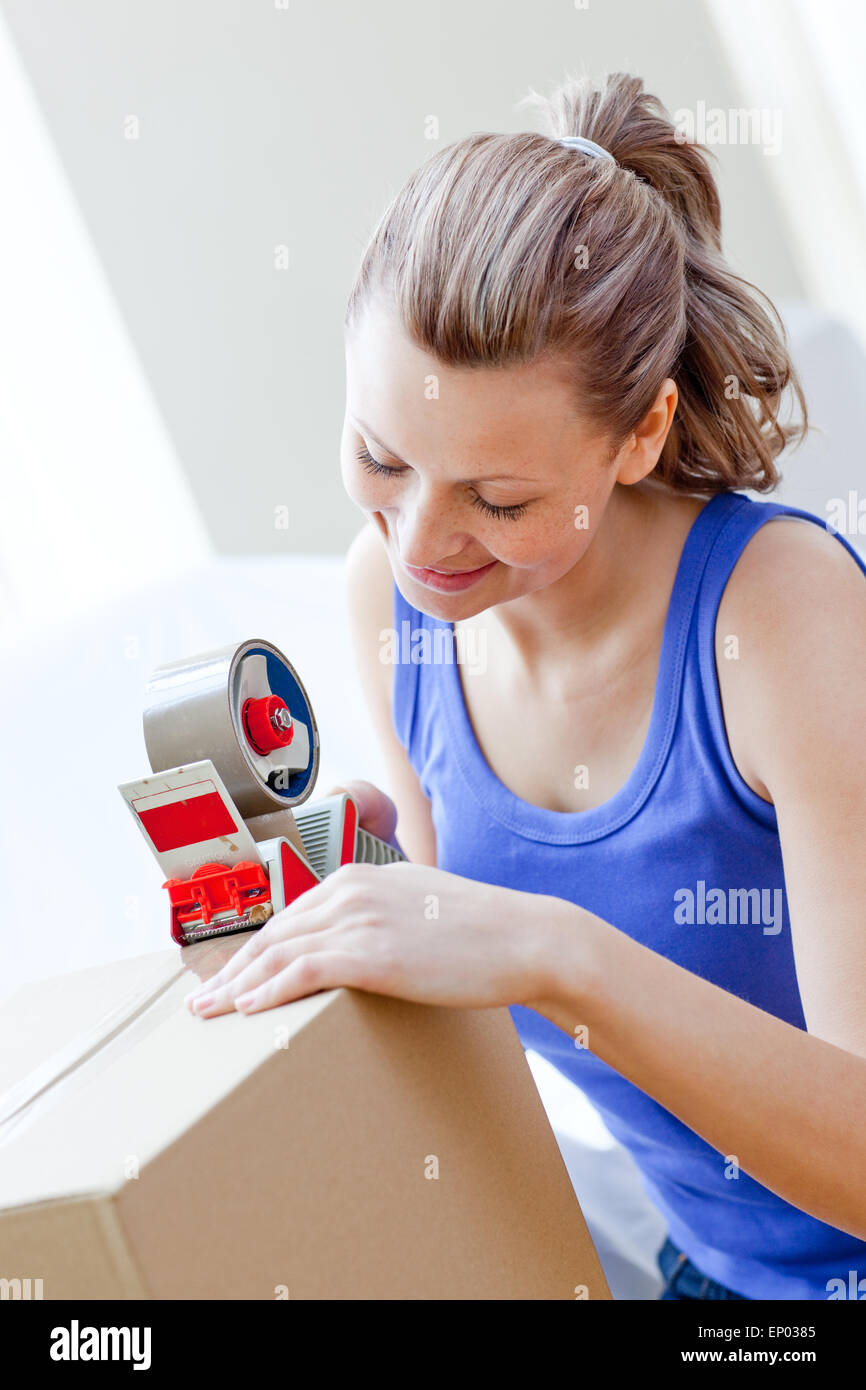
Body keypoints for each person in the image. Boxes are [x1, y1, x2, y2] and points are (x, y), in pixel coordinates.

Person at [186, 72, 866, 1301]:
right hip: (718, 1281)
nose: (419, 542)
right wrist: (351, 902)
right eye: (379, 458)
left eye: (497, 501)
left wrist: (561, 951)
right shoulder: (389, 603)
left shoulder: (780, 620)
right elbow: (463, 1000)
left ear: (641, 436)